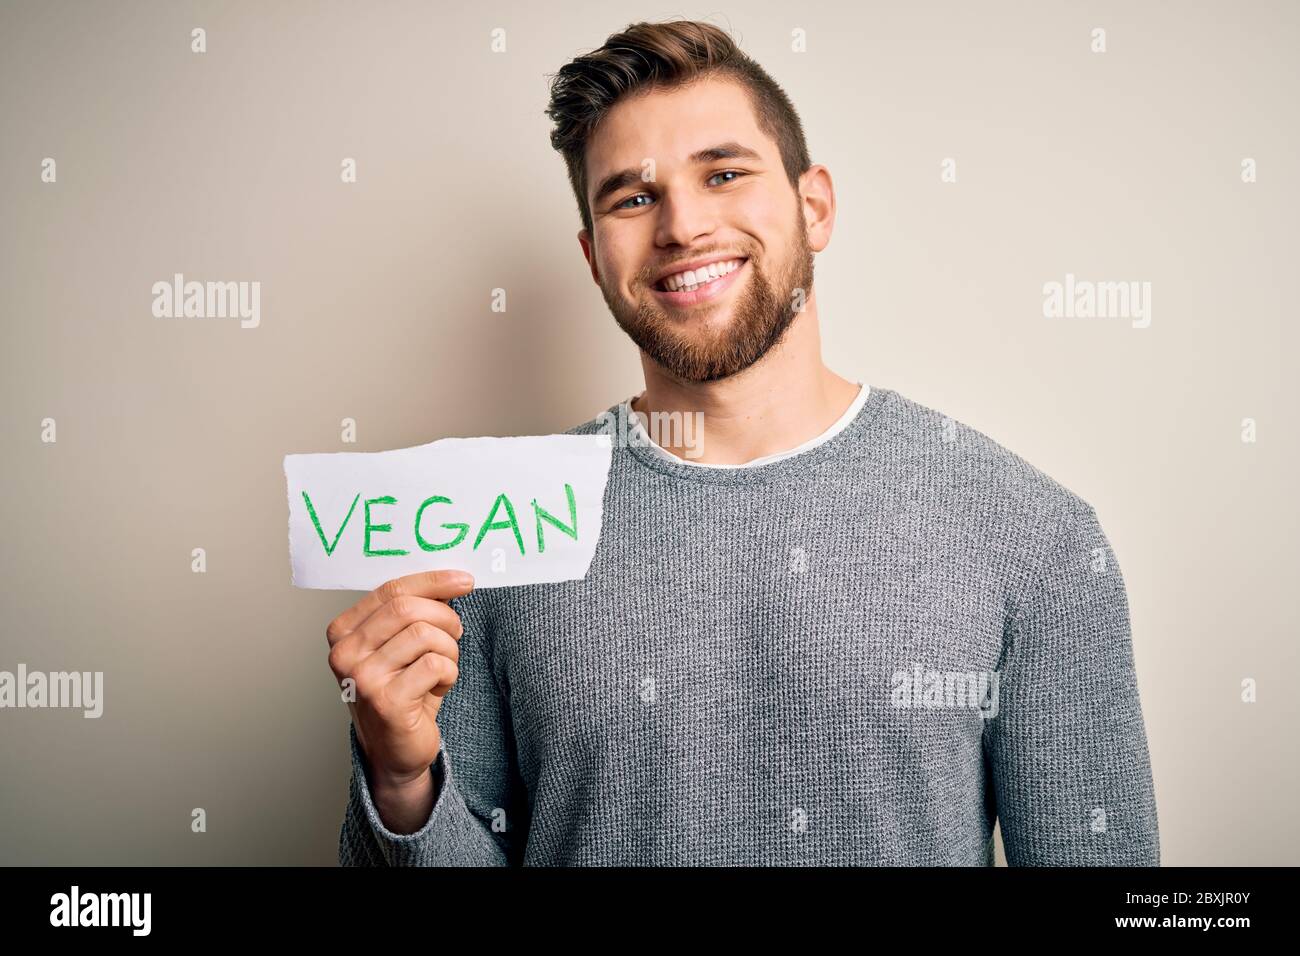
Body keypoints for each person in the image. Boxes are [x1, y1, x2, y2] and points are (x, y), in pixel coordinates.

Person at [327, 19, 1159, 866]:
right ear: (592, 254)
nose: (682, 227)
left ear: (814, 206)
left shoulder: (1033, 534)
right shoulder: (495, 531)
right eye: (633, 197)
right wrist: (400, 787)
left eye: (723, 174)